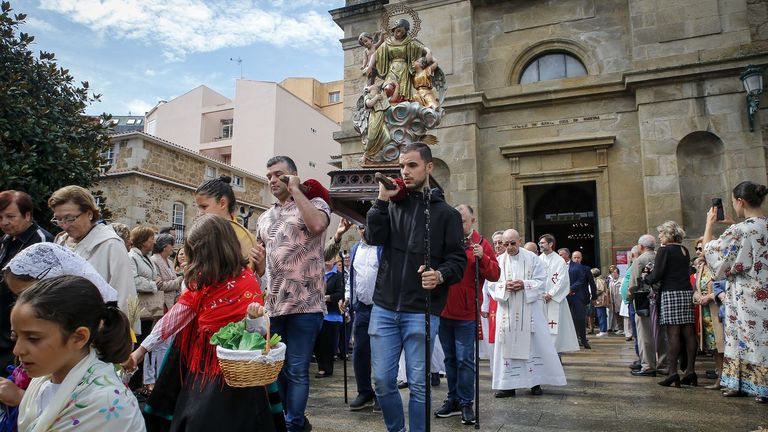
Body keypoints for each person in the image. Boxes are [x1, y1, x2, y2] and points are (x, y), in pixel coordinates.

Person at [125, 215, 278, 431]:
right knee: (198, 418)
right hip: (204, 368)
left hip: (236, 371)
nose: (192, 257)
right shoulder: (200, 281)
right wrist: (140, 351)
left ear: (213, 250)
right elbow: (173, 319)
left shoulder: (247, 281)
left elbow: (256, 335)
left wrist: (253, 320)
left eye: (196, 250)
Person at [365, 143, 466, 432]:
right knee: (383, 381)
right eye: (401, 166)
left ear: (429, 167)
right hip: (384, 307)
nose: (405, 171)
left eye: (412, 165)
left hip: (421, 310)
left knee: (420, 385)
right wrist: (381, 201)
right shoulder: (393, 204)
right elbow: (373, 237)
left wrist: (440, 275)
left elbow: (457, 261)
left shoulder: (448, 215)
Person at [255, 155, 331, 432]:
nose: (273, 180)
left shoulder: (316, 204)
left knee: (298, 369)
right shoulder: (264, 216)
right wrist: (256, 260)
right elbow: (258, 265)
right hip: (274, 306)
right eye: (269, 176)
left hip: (306, 304)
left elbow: (318, 226)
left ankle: (293, 424)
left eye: (279, 175)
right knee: (279, 371)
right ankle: (289, 418)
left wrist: (297, 190)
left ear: (293, 176)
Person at [0, 243, 119, 415]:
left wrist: (20, 398)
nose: (17, 349)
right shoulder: (49, 367)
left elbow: (70, 414)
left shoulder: (101, 398)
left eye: (33, 338)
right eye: (16, 296)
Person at [13, 276, 144, 431]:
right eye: (14, 336)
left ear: (79, 338)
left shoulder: (108, 403)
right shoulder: (41, 383)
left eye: (33, 338)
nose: (17, 350)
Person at [434, 204, 499, 425]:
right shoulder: (445, 240)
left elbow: (495, 275)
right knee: (449, 359)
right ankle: (452, 399)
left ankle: (465, 402)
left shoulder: (481, 244)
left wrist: (484, 258)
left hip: (466, 311)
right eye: (457, 220)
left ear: (472, 221)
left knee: (465, 359)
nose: (459, 224)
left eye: (463, 220)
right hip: (444, 309)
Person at [704, 181, 768, 402]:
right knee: (762, 338)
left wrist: (709, 225)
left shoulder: (740, 230)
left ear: (740, 202)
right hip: (764, 290)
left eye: (734, 202)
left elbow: (714, 257)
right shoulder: (759, 225)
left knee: (744, 338)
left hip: (746, 295)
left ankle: (754, 385)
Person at [490, 229, 566, 398]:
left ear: (519, 241)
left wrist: (524, 284)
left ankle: (535, 383)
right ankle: (508, 386)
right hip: (508, 312)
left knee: (532, 347)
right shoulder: (498, 261)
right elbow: (491, 284)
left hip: (529, 312)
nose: (509, 247)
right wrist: (504, 287)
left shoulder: (532, 258)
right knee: (506, 347)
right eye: (505, 244)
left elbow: (542, 280)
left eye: (512, 243)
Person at [49, 186, 136, 330]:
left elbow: (124, 293)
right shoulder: (60, 241)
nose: (64, 225)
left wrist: (117, 335)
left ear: (89, 213)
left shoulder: (111, 244)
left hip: (96, 330)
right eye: (58, 219)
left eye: (70, 218)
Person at [0, 190, 52, 370]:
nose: (4, 222)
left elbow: (41, 291)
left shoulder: (41, 241)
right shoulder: (6, 239)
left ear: (27, 215)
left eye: (10, 216)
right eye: (0, 217)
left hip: (18, 331)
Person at [643, 221, 697, 388]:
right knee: (688, 332)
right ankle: (690, 371)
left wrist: (647, 277)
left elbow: (657, 275)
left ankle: (673, 373)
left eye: (661, 233)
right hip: (686, 292)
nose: (659, 236)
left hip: (670, 293)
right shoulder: (684, 250)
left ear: (669, 234)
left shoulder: (664, 250)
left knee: (672, 334)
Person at [343, 224, 383, 412]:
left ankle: (383, 394)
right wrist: (348, 297)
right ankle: (365, 391)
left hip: (381, 308)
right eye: (360, 226)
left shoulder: (382, 247)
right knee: (360, 351)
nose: (363, 230)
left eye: (367, 226)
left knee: (381, 353)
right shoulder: (355, 249)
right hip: (362, 308)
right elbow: (353, 277)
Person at [195, 176, 259, 271]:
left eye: (204, 207)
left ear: (222, 203)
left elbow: (248, 277)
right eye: (198, 207)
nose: (200, 213)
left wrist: (260, 269)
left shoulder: (245, 238)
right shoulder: (198, 233)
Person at [628, 234, 668, 377]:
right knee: (662, 333)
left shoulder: (639, 260)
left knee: (645, 334)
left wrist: (628, 297)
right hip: (662, 298)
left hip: (643, 300)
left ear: (641, 247)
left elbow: (633, 284)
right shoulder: (660, 257)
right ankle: (663, 364)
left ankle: (648, 366)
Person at [366, 19, 432, 103]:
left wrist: (429, 52)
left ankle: (400, 108)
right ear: (394, 29)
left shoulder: (409, 42)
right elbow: (375, 54)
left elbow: (422, 48)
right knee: (388, 88)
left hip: (404, 70)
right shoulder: (387, 43)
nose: (399, 34)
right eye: (398, 31)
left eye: (402, 32)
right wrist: (370, 66)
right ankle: (390, 105)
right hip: (392, 70)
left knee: (402, 95)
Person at [691, 237, 725, 390]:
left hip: (718, 309)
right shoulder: (702, 267)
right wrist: (697, 295)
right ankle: (720, 377)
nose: (698, 251)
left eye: (701, 248)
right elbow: (697, 287)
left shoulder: (719, 264)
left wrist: (710, 296)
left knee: (723, 345)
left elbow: (726, 286)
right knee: (714, 347)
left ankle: (727, 378)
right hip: (706, 311)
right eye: (697, 249)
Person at [537, 234, 578, 355]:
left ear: (550, 244)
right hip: (541, 299)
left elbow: (563, 280)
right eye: (540, 243)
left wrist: (550, 294)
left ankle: (555, 354)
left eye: (543, 243)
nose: (540, 245)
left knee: (555, 328)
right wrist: (540, 293)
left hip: (555, 300)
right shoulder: (538, 259)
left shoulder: (559, 260)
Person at [314, 257, 345, 378]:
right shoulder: (317, 272)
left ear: (335, 260)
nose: (327, 259)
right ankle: (321, 365)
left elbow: (340, 293)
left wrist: (327, 298)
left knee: (327, 344)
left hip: (331, 315)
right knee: (317, 342)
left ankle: (325, 368)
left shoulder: (338, 275)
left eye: (331, 257)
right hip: (317, 312)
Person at [563, 249, 597, 349]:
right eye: (575, 257)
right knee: (570, 319)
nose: (577, 259)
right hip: (566, 297)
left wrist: (594, 297)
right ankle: (573, 338)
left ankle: (582, 338)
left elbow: (592, 283)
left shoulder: (586, 269)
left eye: (579, 257)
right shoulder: (564, 267)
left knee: (580, 318)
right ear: (572, 258)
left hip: (581, 297)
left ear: (581, 258)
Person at [480, 231, 504, 369]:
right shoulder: (492, 259)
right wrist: (484, 306)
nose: (497, 246)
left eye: (500, 242)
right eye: (495, 243)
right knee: (494, 338)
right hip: (494, 303)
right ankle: (496, 368)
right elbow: (485, 285)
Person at [592, 268, 610, 337]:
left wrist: (593, 294)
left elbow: (600, 289)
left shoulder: (599, 280)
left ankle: (603, 330)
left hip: (600, 300)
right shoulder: (599, 279)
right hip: (599, 300)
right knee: (601, 315)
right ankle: (602, 330)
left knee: (601, 315)